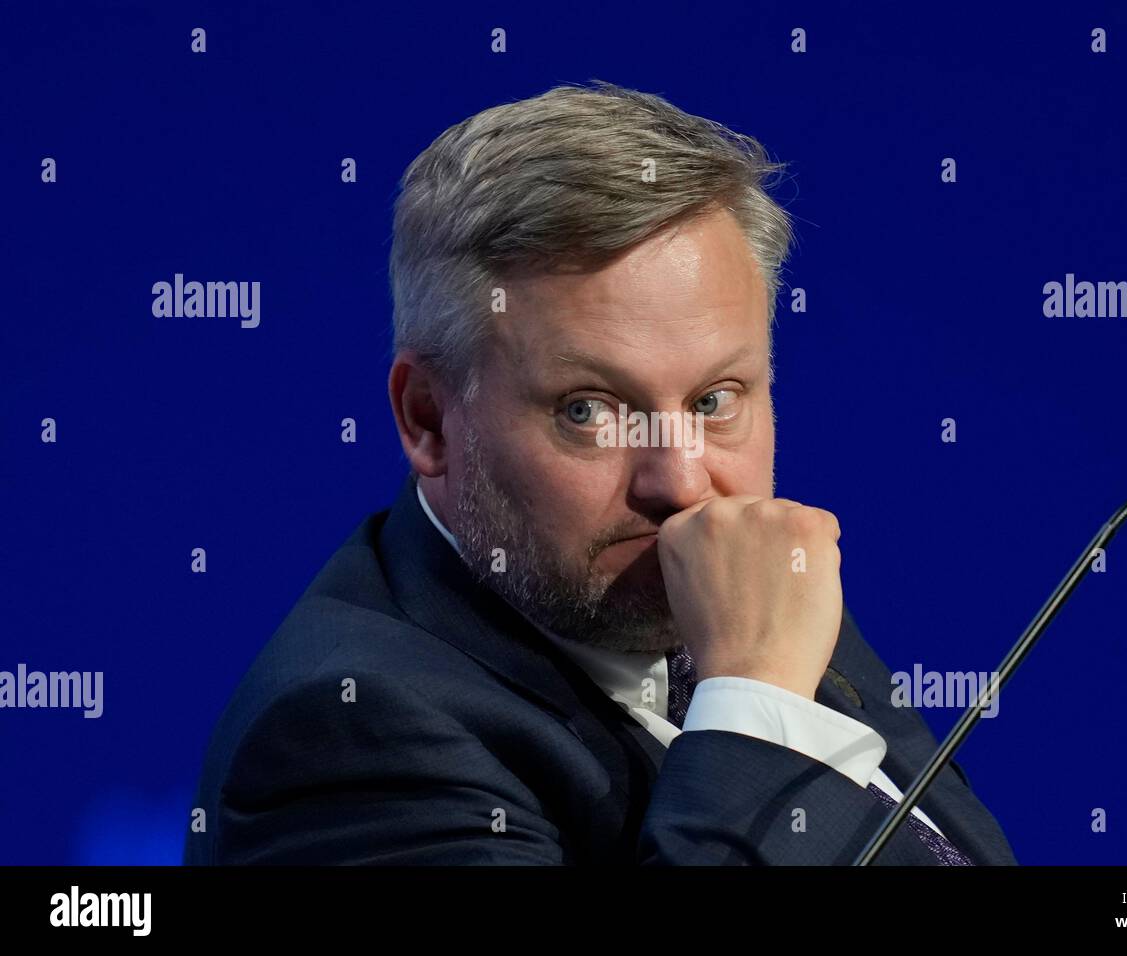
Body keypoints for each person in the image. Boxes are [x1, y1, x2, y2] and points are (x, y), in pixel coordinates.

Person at [185, 81, 1017, 865]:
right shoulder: (349, 742)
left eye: (714, 399)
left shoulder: (727, 595)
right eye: (590, 410)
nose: (683, 484)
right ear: (429, 419)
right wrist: (759, 710)